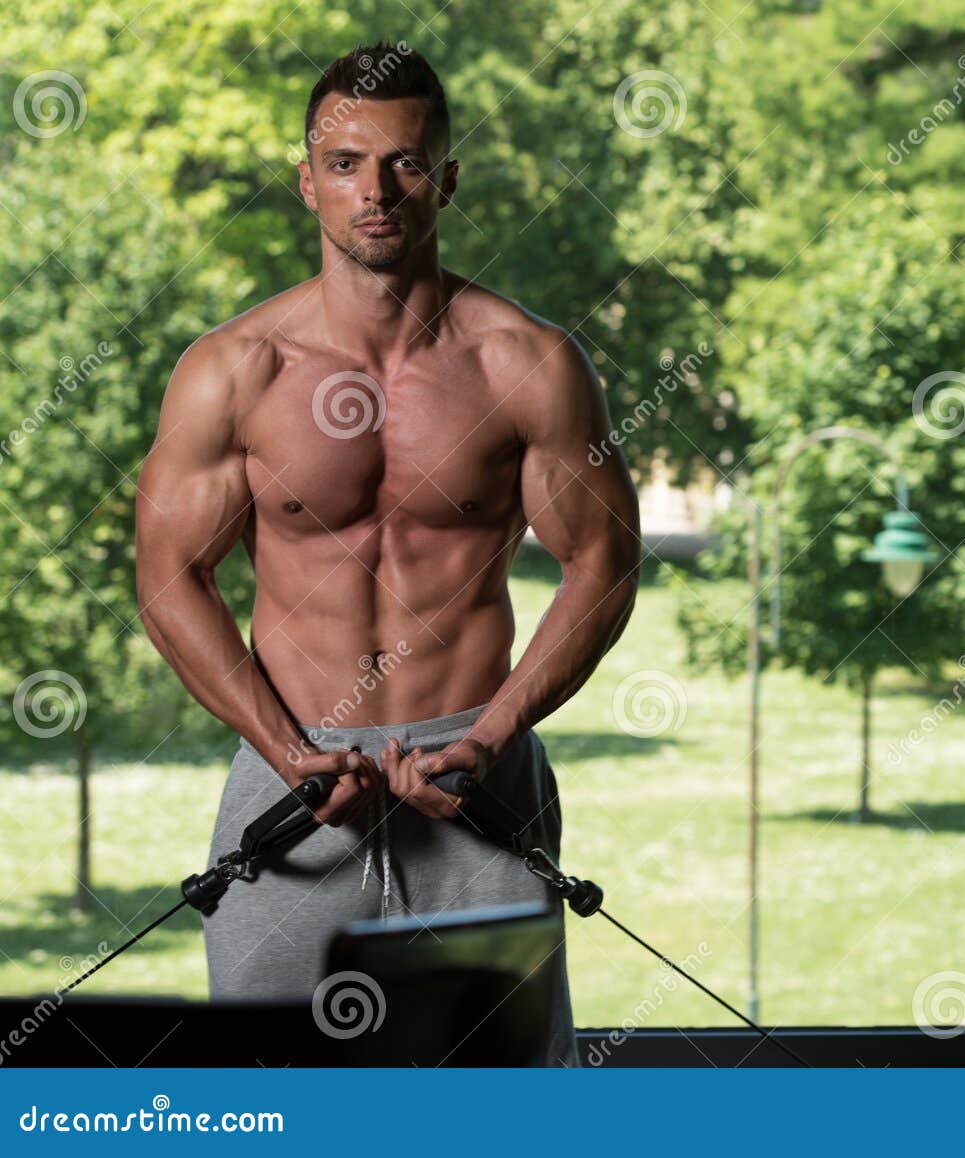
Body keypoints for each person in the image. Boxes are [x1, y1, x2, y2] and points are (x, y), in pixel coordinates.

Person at [133, 41, 640, 1066]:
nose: (376, 189)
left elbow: (603, 564)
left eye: (406, 162)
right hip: (292, 779)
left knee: (496, 1105)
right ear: (306, 178)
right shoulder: (233, 370)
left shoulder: (525, 362)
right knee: (276, 1103)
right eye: (345, 161)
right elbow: (168, 576)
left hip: (474, 776)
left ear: (445, 179)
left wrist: (493, 736)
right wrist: (285, 751)